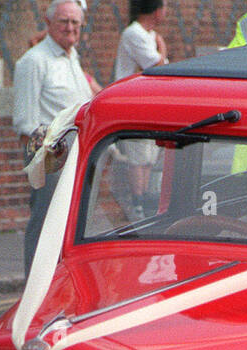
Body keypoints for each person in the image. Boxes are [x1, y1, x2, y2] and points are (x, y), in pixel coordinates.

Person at [13, 0, 95, 272]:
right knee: (45, 228)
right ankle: (33, 296)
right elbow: (26, 124)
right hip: (52, 158)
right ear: (48, 24)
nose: (70, 28)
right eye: (63, 21)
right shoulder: (33, 62)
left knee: (70, 231)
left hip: (79, 157)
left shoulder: (72, 57)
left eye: (75, 22)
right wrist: (47, 163)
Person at [113, 0, 168, 219]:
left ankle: (143, 202)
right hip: (132, 103)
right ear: (156, 10)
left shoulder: (148, 34)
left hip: (148, 103)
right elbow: (157, 66)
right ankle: (137, 204)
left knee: (148, 157)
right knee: (138, 157)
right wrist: (162, 47)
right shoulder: (134, 33)